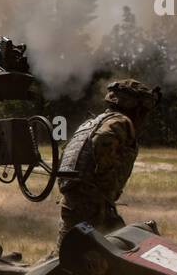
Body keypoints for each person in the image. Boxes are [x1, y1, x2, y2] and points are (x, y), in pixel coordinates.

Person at [54, 79, 161, 251]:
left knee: (68, 254)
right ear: (136, 107)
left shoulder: (92, 122)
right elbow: (103, 140)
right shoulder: (120, 121)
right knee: (121, 253)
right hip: (92, 204)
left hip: (75, 201)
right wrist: (105, 180)